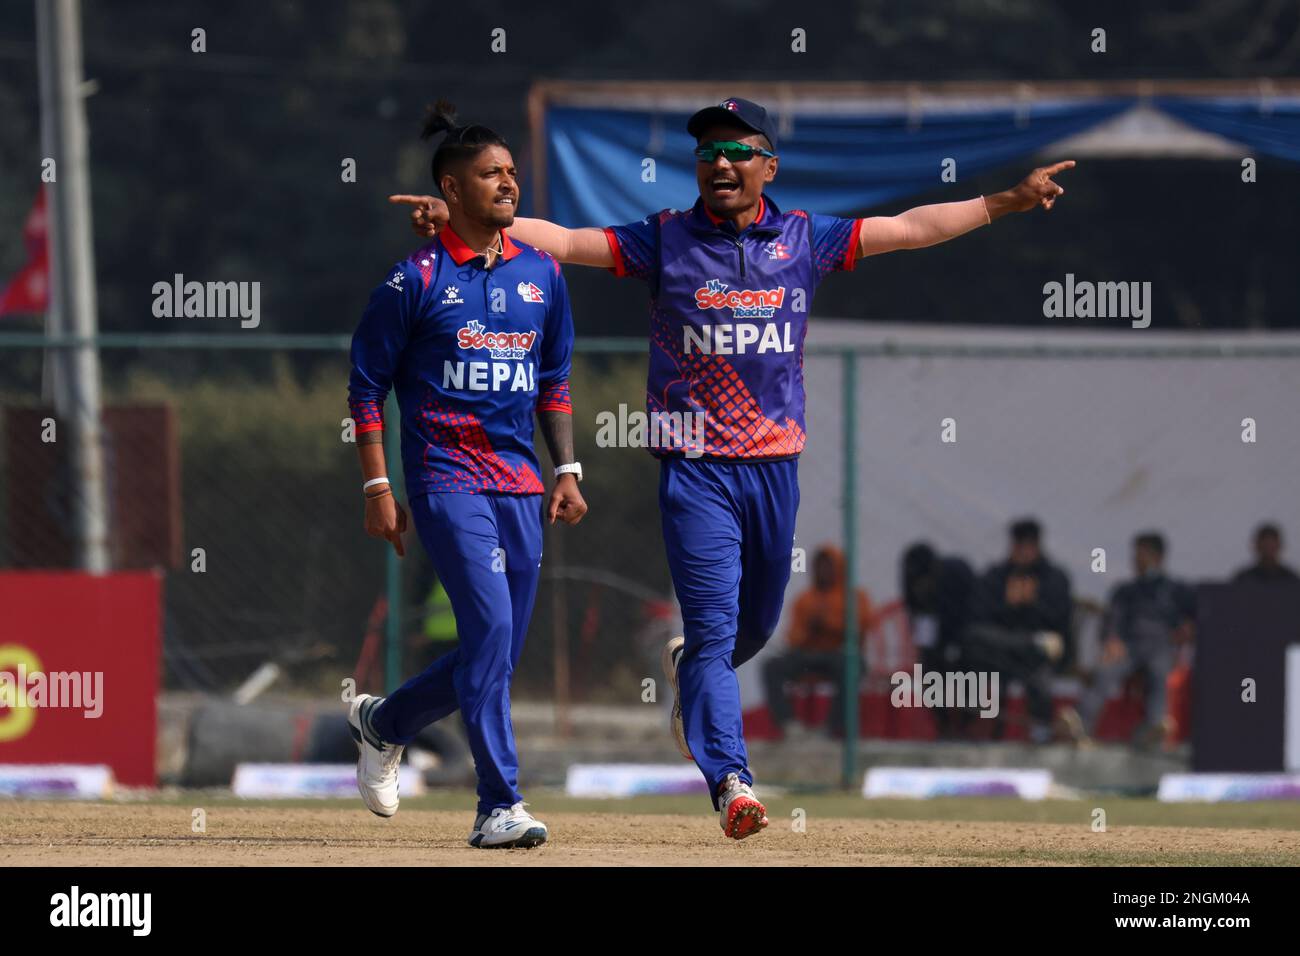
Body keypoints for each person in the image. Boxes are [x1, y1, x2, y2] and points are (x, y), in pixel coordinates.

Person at [392, 97, 1074, 838]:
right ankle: (731, 780)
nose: (719, 163)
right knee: (715, 634)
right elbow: (567, 239)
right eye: (707, 152)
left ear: (768, 167)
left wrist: (1008, 201)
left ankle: (694, 675)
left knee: (756, 625)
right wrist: (472, 221)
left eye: (736, 151)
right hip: (696, 469)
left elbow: (909, 229)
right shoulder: (665, 241)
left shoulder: (805, 239)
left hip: (775, 470)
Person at [346, 102, 587, 850]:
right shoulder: (412, 279)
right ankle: (498, 805)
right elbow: (364, 387)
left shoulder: (543, 273)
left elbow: (554, 381)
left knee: (496, 653)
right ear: (452, 190)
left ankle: (384, 722)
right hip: (448, 482)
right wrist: (379, 488)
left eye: (513, 172)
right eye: (491, 174)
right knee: (487, 632)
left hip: (520, 484)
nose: (509, 184)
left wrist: (568, 469)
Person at [1064, 532, 1193, 748]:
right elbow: (1111, 621)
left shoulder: (1177, 590)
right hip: (1128, 648)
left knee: (1159, 672)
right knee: (1105, 671)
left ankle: (1154, 728)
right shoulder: (1124, 591)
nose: (1137, 560)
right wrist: (1112, 640)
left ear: (1158, 557)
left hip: (1161, 646)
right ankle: (1079, 725)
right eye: (1136, 555)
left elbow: (1196, 616)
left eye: (1143, 555)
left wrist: (1188, 628)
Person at [965, 518, 1072, 742]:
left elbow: (1059, 619)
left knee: (1041, 667)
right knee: (975, 642)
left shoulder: (1053, 577)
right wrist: (1009, 605)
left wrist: (1031, 603)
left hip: (1038, 655)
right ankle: (979, 731)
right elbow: (979, 614)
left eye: (1028, 547)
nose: (1023, 552)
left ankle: (1040, 734)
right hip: (1002, 652)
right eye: (1019, 547)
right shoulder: (997, 575)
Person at [762, 545, 872, 740]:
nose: (824, 571)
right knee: (772, 666)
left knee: (851, 665)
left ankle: (833, 728)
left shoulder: (854, 597)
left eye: (828, 566)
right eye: (820, 566)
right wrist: (808, 629)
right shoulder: (805, 599)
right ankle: (789, 725)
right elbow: (793, 638)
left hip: (838, 654)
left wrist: (830, 624)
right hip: (808, 655)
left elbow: (862, 628)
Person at [900, 542, 975, 738]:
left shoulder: (955, 575)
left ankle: (966, 724)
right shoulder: (912, 581)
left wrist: (954, 647)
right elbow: (917, 620)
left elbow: (971, 615)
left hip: (965, 636)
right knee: (930, 668)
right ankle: (943, 725)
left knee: (967, 666)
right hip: (937, 637)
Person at [1233, 523, 1299, 583]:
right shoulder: (1243, 580)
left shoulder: (1292, 581)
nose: (1268, 549)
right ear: (1256, 546)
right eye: (1265, 545)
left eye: (1271, 545)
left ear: (1279, 546)